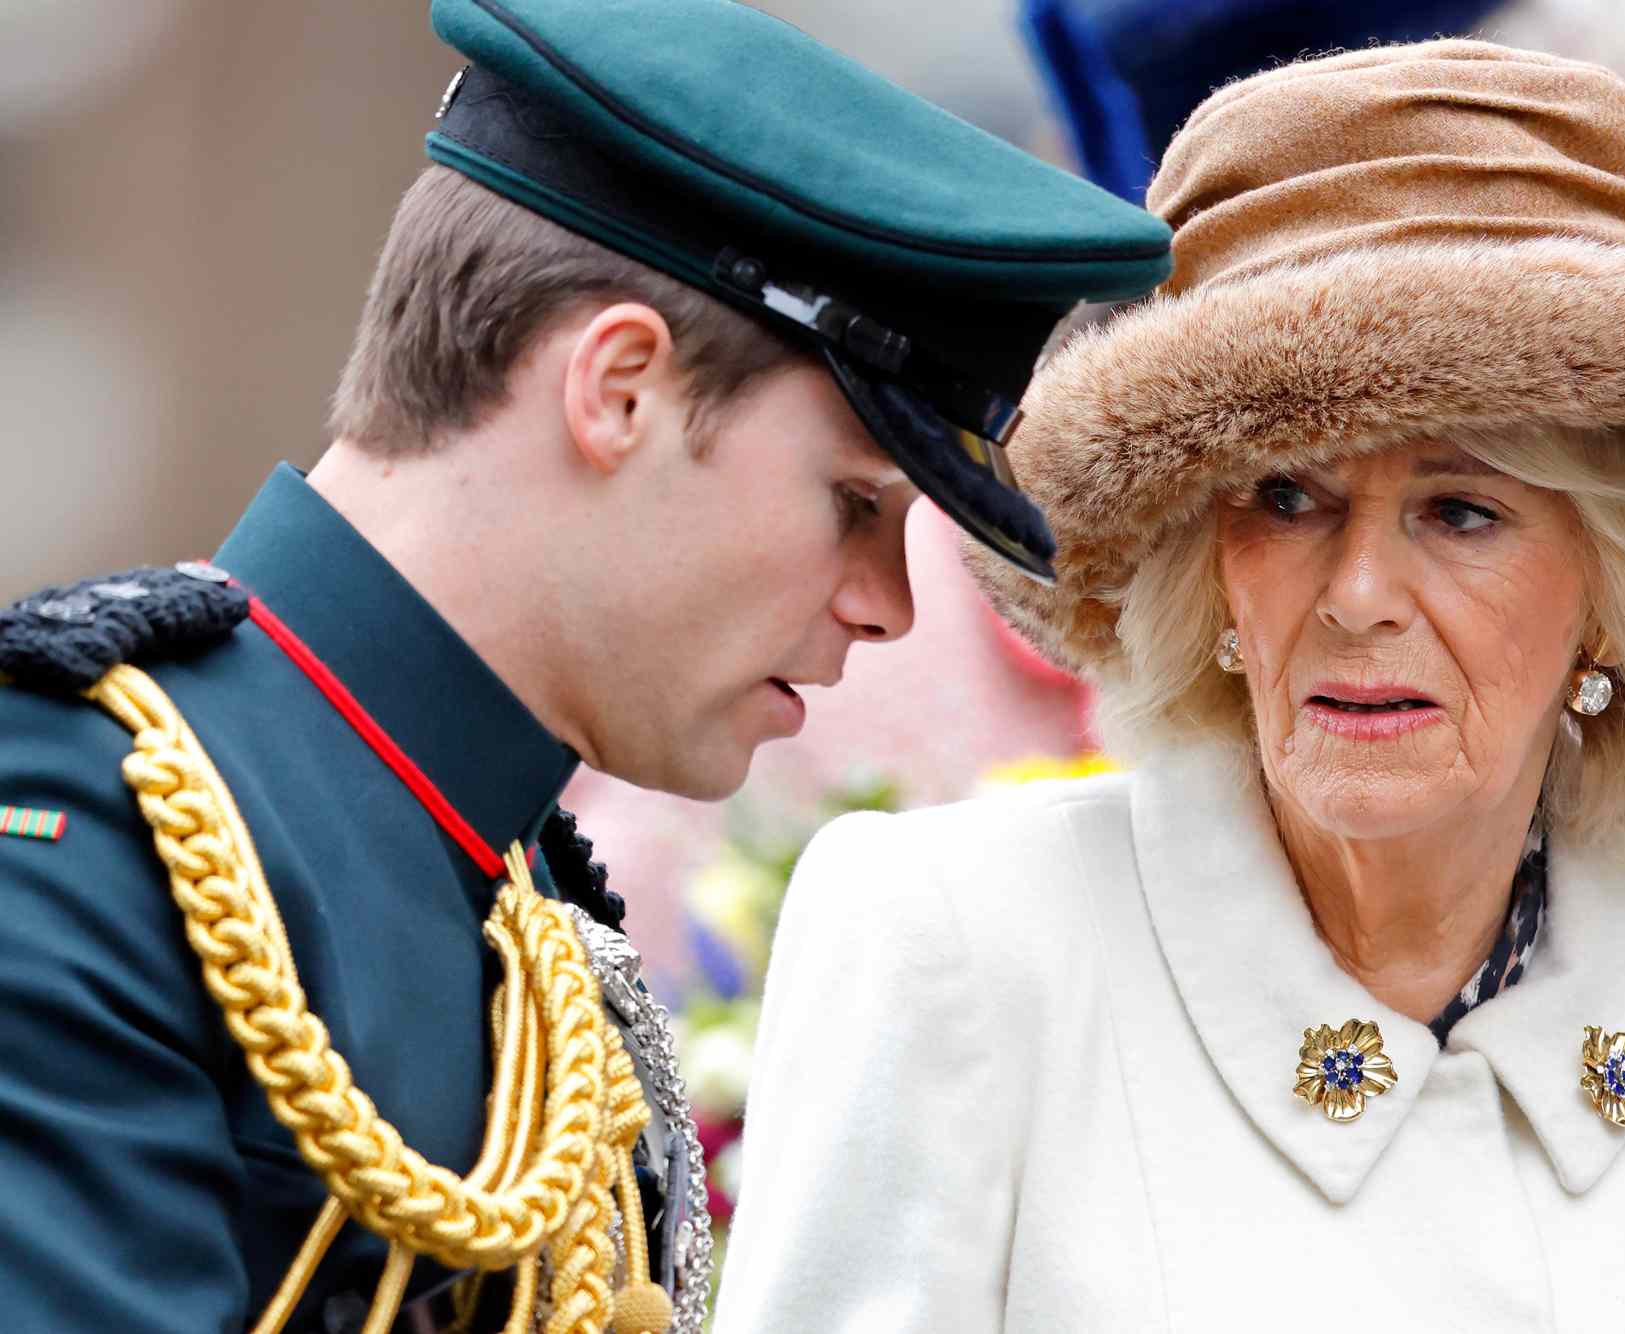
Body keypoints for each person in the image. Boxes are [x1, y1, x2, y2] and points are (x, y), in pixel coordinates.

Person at [717, 41, 1625, 1331]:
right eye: (1287, 499)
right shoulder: (955, 944)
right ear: (1208, 570)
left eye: (1461, 511)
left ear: (1615, 594)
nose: (1357, 592)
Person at [0, 0, 1169, 1329]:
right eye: (856, 505)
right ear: (619, 389)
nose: (892, 608)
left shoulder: (543, 919)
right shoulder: (82, 822)